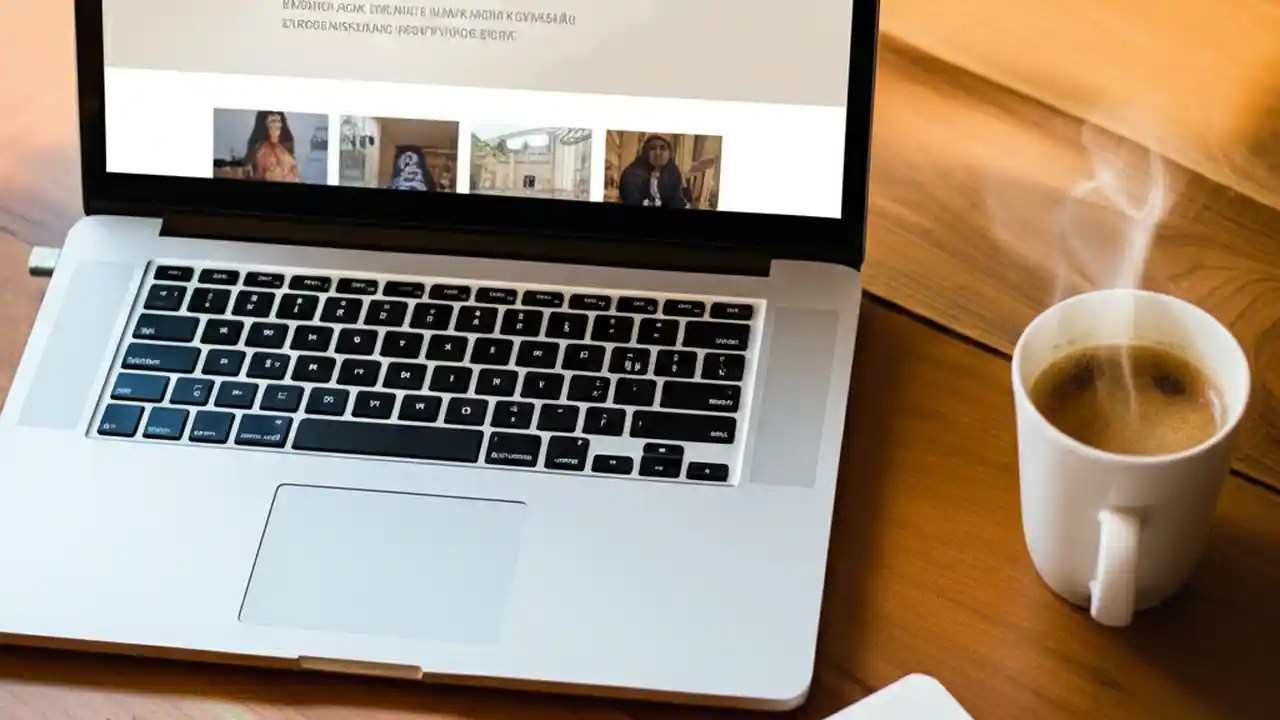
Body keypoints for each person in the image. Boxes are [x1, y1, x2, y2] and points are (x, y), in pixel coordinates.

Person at [618, 135, 689, 208]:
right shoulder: (632, 176)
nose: (658, 153)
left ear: (669, 152)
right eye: (652, 148)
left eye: (662, 148)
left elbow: (676, 199)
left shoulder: (673, 173)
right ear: (646, 152)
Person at [246, 111, 301, 182]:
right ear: (265, 125)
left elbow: (296, 172)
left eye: (279, 121)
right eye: (273, 121)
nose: (277, 125)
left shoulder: (285, 148)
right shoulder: (261, 151)